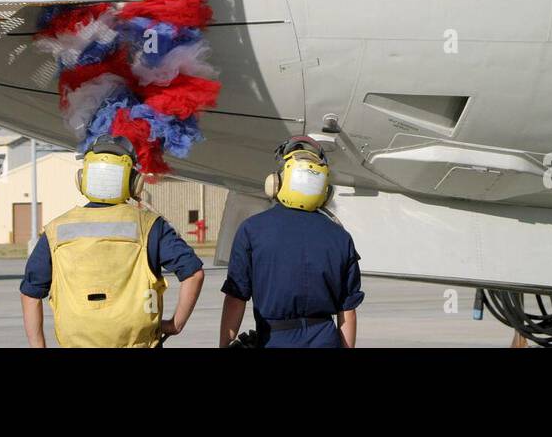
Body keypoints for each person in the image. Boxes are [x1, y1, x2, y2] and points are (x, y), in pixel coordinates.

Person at [19, 135, 205, 348]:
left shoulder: (56, 229)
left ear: (82, 179)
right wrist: (175, 324)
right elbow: (194, 274)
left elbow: (31, 294)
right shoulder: (150, 225)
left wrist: (38, 345)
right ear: (135, 182)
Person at [219, 136, 364, 348]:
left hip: (273, 339)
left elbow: (236, 299)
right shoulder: (341, 237)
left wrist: (224, 344)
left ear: (277, 183)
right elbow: (347, 311)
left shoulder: (252, 230)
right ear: (325, 191)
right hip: (325, 338)